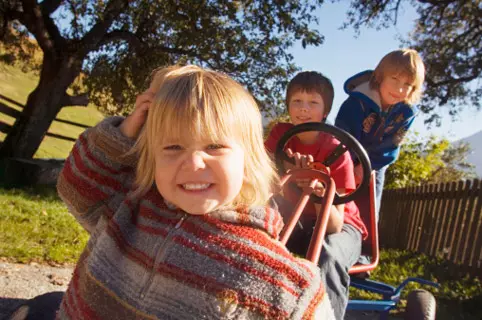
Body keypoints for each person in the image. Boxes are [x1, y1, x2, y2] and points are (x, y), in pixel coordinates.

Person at [51, 65, 335, 320]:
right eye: (173, 147)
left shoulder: (279, 283)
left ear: (248, 161)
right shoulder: (125, 213)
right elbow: (76, 186)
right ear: (152, 159)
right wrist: (126, 130)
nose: (193, 163)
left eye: (214, 147)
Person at [265, 71, 368, 320]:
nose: (303, 109)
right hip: (298, 220)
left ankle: (325, 315)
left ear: (325, 111)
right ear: (288, 106)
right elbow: (263, 179)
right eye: (297, 102)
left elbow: (334, 225)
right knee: (263, 234)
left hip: (341, 226)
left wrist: (320, 193)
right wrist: (290, 170)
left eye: (313, 103)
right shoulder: (280, 136)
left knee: (329, 254)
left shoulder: (337, 150)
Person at [335, 48, 425, 221]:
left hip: (376, 163)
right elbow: (343, 135)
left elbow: (392, 144)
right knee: (340, 198)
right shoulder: (358, 102)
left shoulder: (406, 112)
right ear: (380, 76)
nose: (399, 89)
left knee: (370, 208)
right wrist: (351, 164)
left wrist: (368, 166)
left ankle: (366, 243)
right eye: (394, 79)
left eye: (407, 84)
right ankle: (332, 229)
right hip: (345, 156)